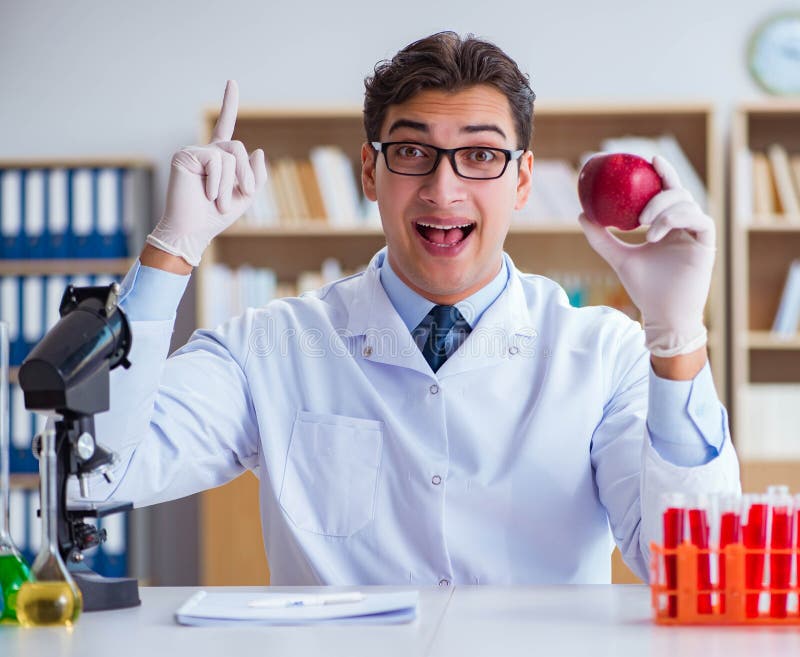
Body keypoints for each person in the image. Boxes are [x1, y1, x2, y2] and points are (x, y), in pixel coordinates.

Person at [89, 31, 739, 585]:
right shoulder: (272, 344)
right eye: (411, 152)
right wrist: (171, 251)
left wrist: (677, 334)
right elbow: (99, 474)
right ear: (370, 172)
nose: (442, 187)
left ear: (521, 179)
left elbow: (696, 570)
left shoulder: (606, 354)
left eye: (480, 154)